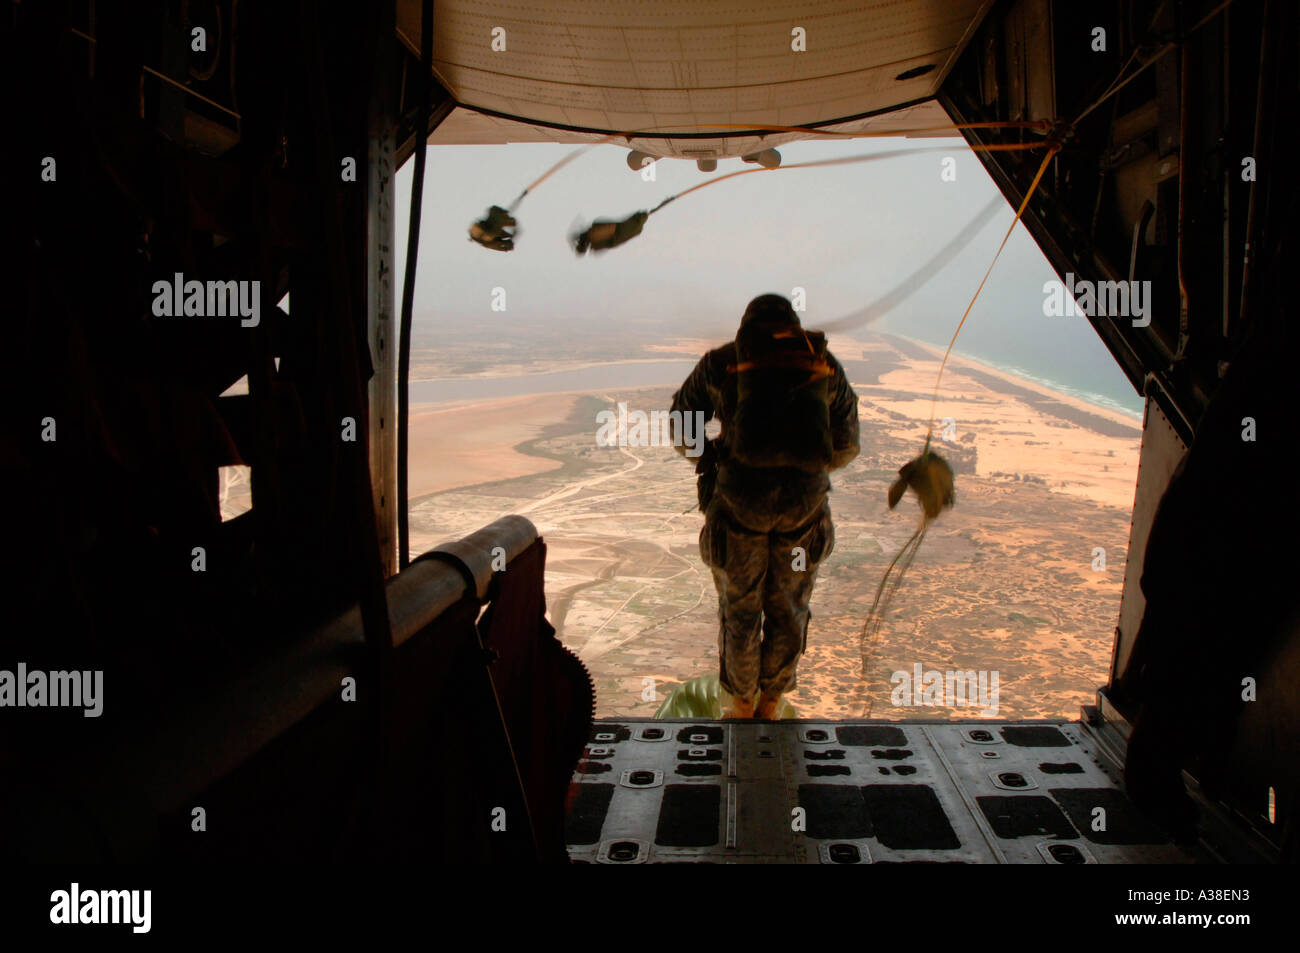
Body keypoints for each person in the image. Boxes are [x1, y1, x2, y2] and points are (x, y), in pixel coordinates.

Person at [670, 294, 860, 718]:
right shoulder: (820, 363)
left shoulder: (722, 363)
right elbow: (846, 446)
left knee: (740, 610)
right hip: (803, 515)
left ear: (744, 329)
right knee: (790, 606)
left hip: (739, 507)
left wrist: (713, 457)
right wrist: (803, 469)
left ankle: (739, 701)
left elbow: (683, 427)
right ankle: (771, 702)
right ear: (793, 325)